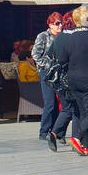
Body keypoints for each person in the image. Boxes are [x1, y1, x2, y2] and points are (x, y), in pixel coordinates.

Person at [52, 6, 88, 155]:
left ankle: (86, 146)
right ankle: (78, 137)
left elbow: (61, 60)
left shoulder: (69, 37)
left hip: (73, 80)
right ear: (87, 20)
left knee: (83, 112)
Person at [33, 12, 64, 149]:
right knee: (50, 102)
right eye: (57, 23)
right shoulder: (43, 36)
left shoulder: (64, 36)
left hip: (60, 72)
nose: (60, 26)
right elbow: (35, 55)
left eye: (61, 23)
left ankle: (56, 132)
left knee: (61, 102)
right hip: (46, 72)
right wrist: (48, 65)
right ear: (50, 24)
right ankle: (44, 130)